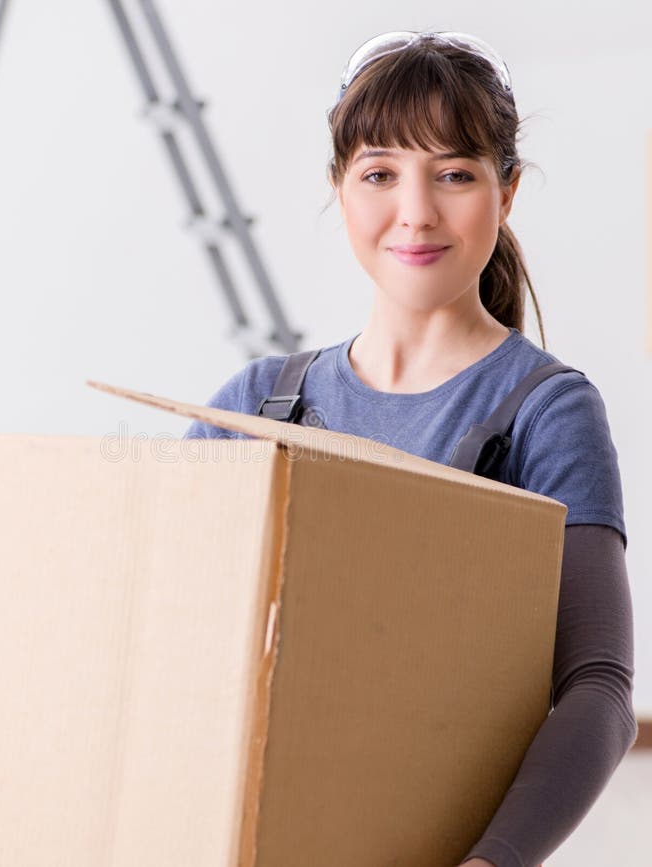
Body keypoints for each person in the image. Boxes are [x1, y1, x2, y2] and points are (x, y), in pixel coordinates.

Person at [184, 31, 636, 867]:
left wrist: (492, 861)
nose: (417, 211)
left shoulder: (546, 411)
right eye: (380, 174)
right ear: (339, 188)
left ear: (506, 190)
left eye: (454, 173)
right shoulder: (254, 406)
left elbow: (597, 685)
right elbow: (163, 634)